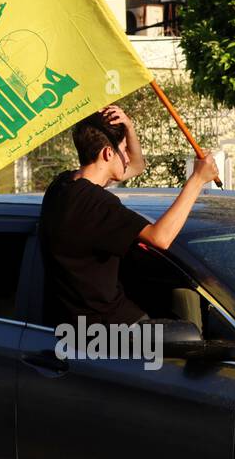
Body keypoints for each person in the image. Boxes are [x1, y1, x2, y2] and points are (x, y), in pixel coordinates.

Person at [41, 105, 219, 326]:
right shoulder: (98, 205)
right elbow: (160, 238)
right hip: (110, 329)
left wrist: (129, 127)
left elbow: (135, 165)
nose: (127, 157)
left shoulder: (61, 186)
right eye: (124, 149)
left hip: (71, 324)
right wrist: (197, 180)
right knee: (185, 341)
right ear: (107, 153)